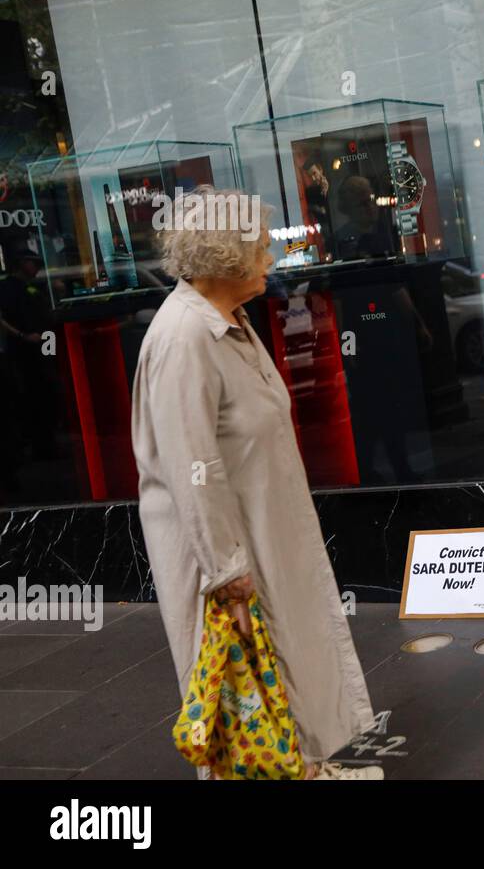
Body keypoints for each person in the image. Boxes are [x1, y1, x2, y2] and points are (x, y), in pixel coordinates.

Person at [131, 187, 379, 779]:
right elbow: (192, 468)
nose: (270, 260)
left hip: (262, 530)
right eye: (261, 250)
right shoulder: (183, 340)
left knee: (285, 658)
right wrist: (226, 571)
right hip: (227, 550)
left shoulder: (227, 322)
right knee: (246, 684)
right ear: (226, 258)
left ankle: (314, 766)